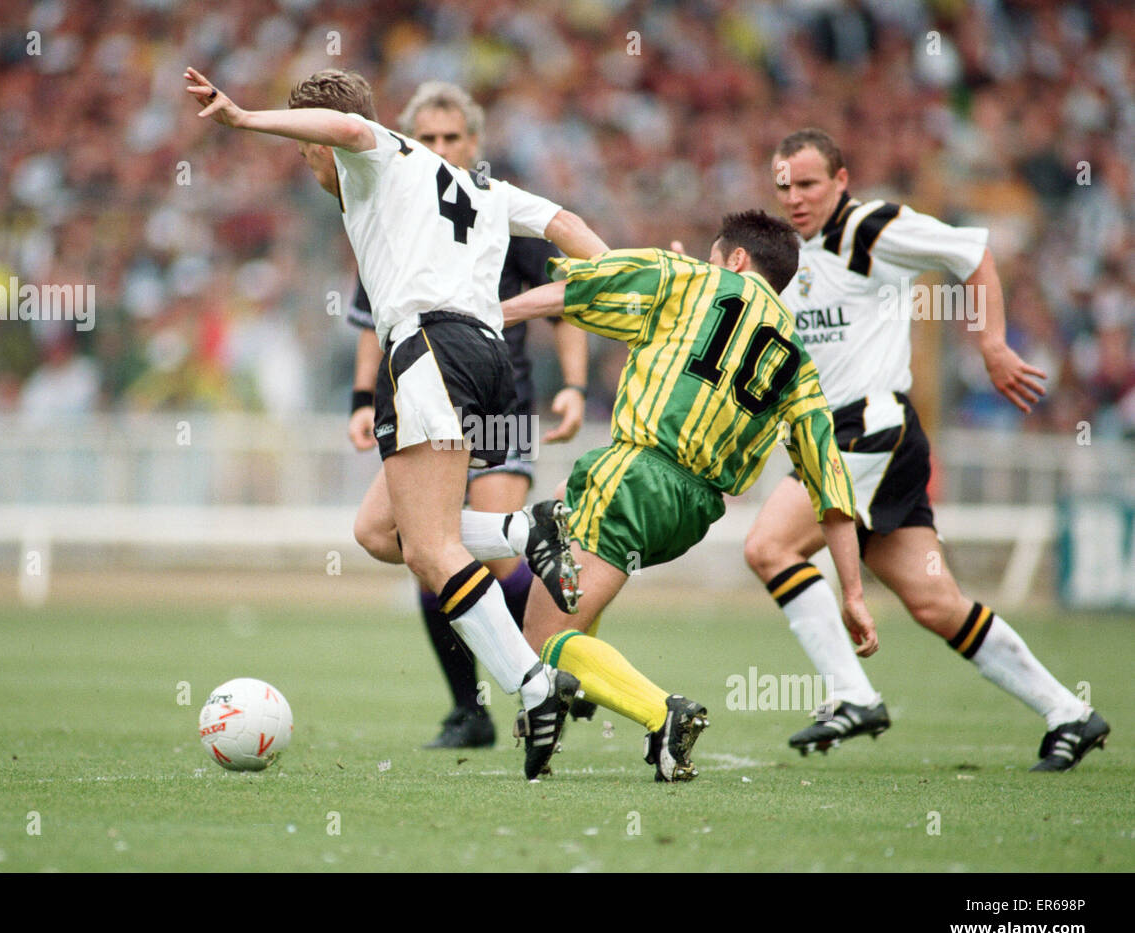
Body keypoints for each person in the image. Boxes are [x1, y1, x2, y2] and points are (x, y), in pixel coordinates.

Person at [184, 66, 608, 779]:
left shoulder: (377, 150)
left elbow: (350, 127)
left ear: (321, 142)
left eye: (302, 144)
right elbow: (562, 224)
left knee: (431, 551)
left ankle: (533, 688)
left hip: (429, 353)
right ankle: (523, 532)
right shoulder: (481, 186)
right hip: (485, 359)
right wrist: (636, 270)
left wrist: (244, 119)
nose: (305, 158)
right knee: (380, 532)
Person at [743, 128, 1108, 770]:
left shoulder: (873, 228)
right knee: (937, 603)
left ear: (841, 180)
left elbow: (974, 255)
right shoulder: (790, 254)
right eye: (784, 187)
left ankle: (853, 694)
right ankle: (1070, 713)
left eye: (807, 184)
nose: (795, 198)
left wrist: (991, 343)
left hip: (867, 432)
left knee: (768, 546)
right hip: (862, 444)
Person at [502, 211, 879, 782]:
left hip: (639, 472)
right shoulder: (799, 362)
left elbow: (581, 285)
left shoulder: (687, 278)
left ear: (735, 259)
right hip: (692, 509)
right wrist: (852, 591)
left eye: (712, 257)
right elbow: (831, 489)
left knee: (542, 640)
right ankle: (578, 689)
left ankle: (661, 713)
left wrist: (490, 315)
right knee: (562, 501)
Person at [345, 81, 589, 750]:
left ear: (474, 143)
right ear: (410, 141)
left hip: (492, 390)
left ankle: (532, 680)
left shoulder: (490, 200)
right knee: (399, 538)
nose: (442, 148)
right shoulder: (394, 200)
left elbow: (566, 300)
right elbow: (373, 316)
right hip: (423, 377)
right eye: (429, 137)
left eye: (453, 137)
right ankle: (472, 706)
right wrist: (362, 398)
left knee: (452, 553)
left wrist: (573, 382)